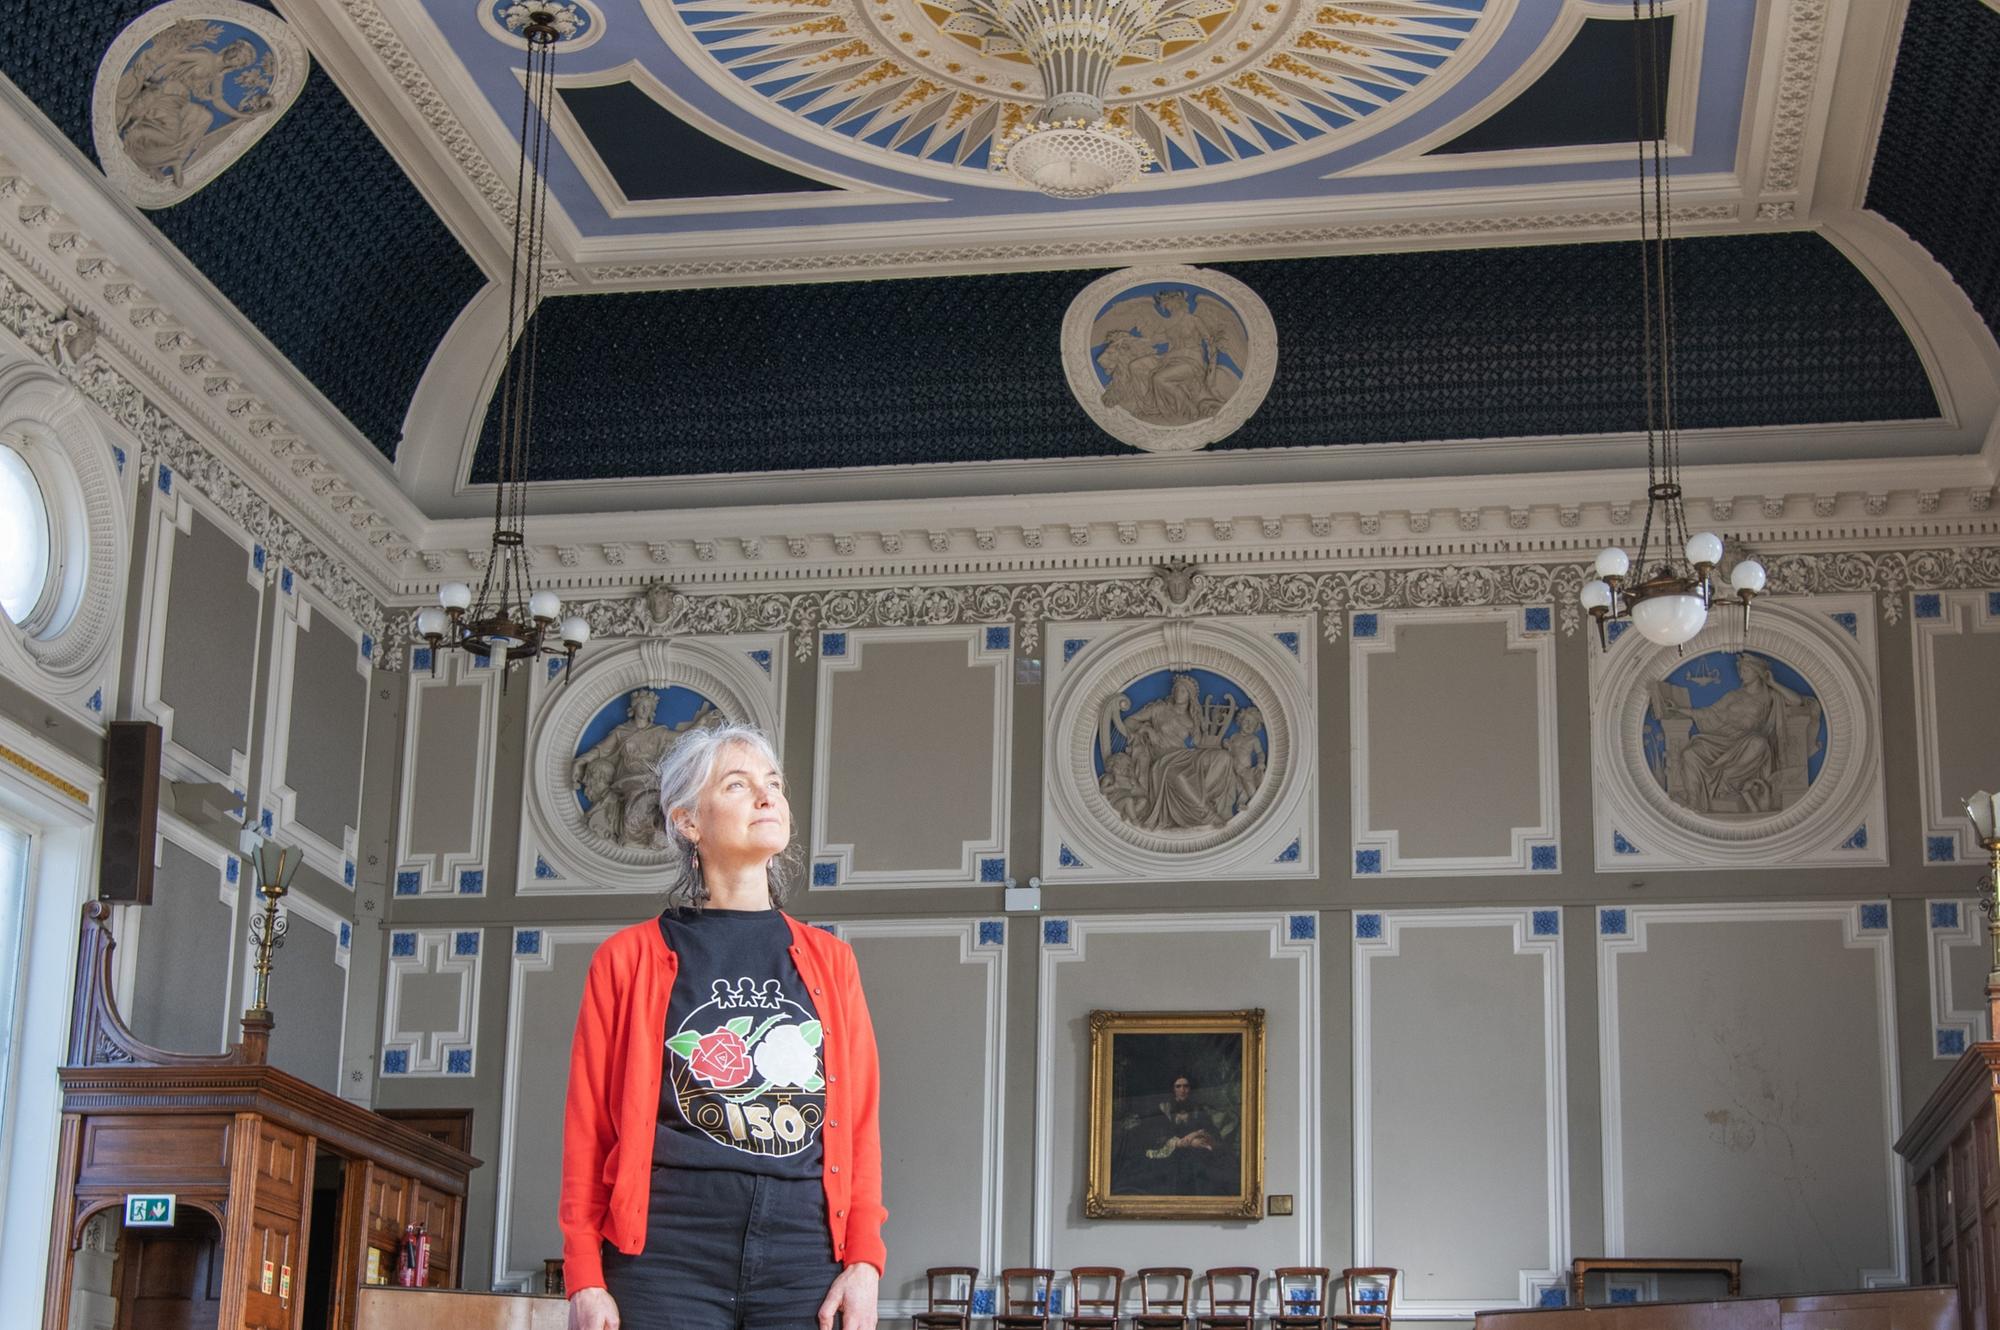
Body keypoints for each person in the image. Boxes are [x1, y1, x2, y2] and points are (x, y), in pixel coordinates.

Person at [561, 722, 885, 1330]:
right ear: (688, 822)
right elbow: (587, 1132)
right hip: (665, 1254)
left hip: (803, 1254)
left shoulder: (831, 962)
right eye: (738, 785)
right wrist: (584, 1277)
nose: (768, 797)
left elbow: (860, 1125)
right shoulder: (625, 960)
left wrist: (864, 1260)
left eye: (774, 784)